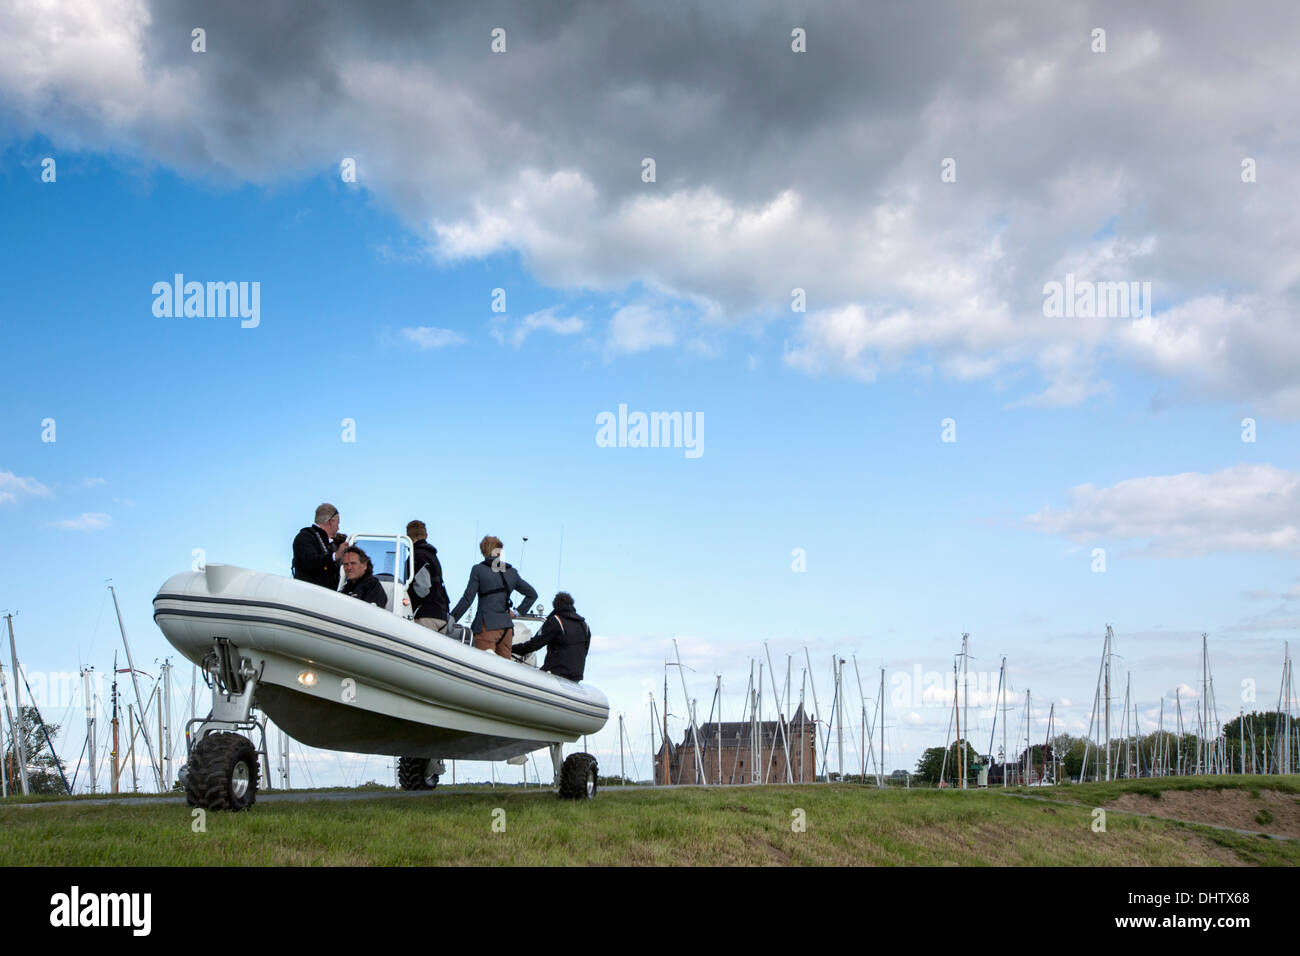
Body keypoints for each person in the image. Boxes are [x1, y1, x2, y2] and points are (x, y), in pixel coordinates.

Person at [448, 535, 537, 659]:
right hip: (507, 629)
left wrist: (453, 618)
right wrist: (517, 612)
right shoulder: (512, 572)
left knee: (483, 665)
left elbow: (468, 599)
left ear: (484, 551)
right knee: (504, 670)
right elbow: (532, 594)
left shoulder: (478, 570)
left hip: (487, 627)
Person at [511, 592, 592, 682]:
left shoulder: (556, 621)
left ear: (555, 605)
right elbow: (585, 650)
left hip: (556, 673)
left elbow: (535, 644)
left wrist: (511, 649)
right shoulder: (585, 626)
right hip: (576, 675)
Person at [406, 520, 450, 630]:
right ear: (426, 535)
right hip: (441, 614)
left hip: (425, 615)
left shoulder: (417, 556)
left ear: (409, 537)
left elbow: (423, 588)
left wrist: (413, 609)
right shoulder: (433, 557)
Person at [292, 503, 348, 589]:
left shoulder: (332, 544)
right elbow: (311, 562)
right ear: (331, 522)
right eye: (338, 523)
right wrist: (335, 556)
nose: (338, 528)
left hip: (329, 597)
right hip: (308, 596)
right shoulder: (305, 537)